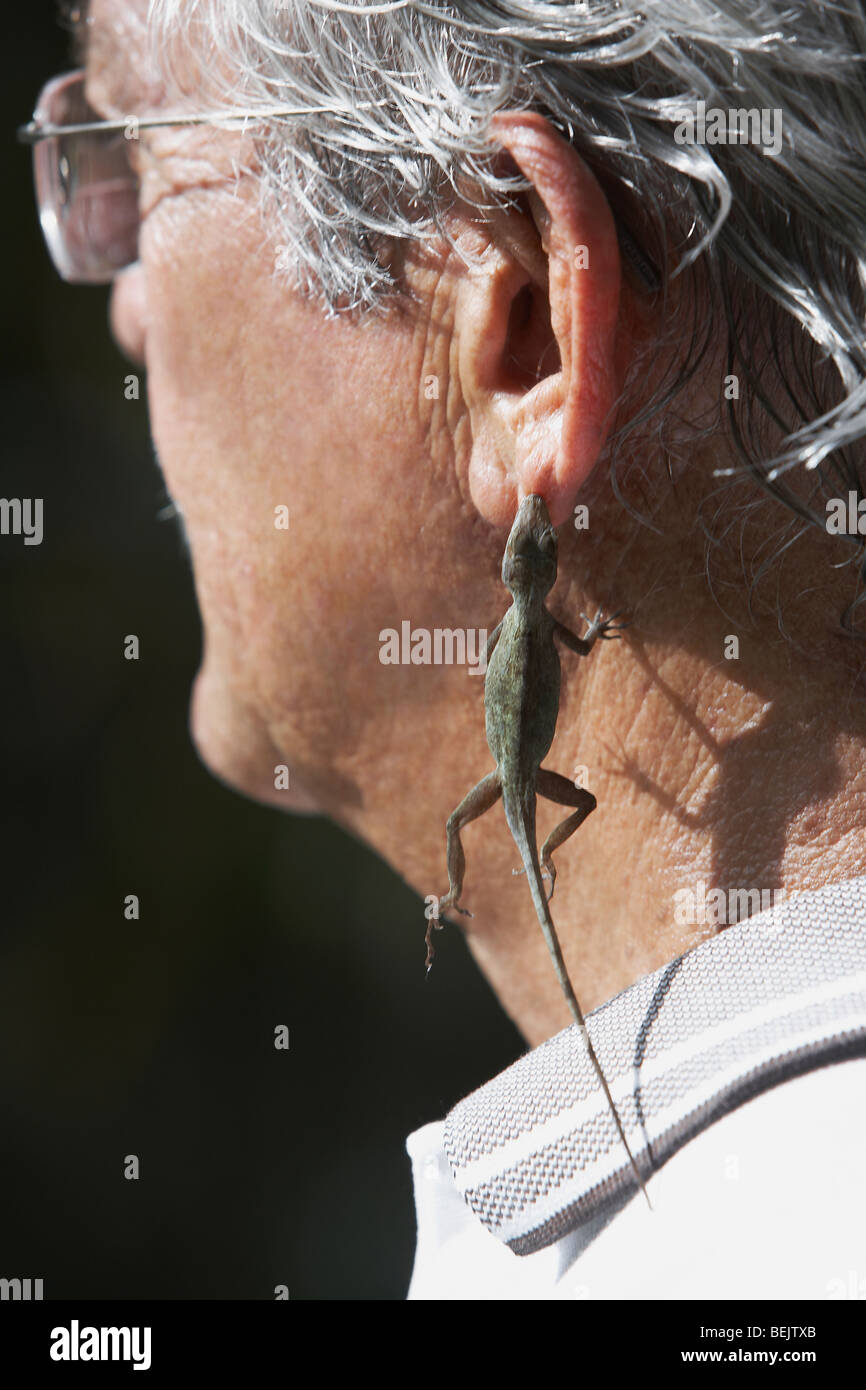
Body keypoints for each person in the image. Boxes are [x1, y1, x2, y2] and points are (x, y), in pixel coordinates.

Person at [20, 0, 866, 1299]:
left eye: (139, 159)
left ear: (525, 322)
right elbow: (561, 614)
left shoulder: (734, 1255)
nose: (125, 310)